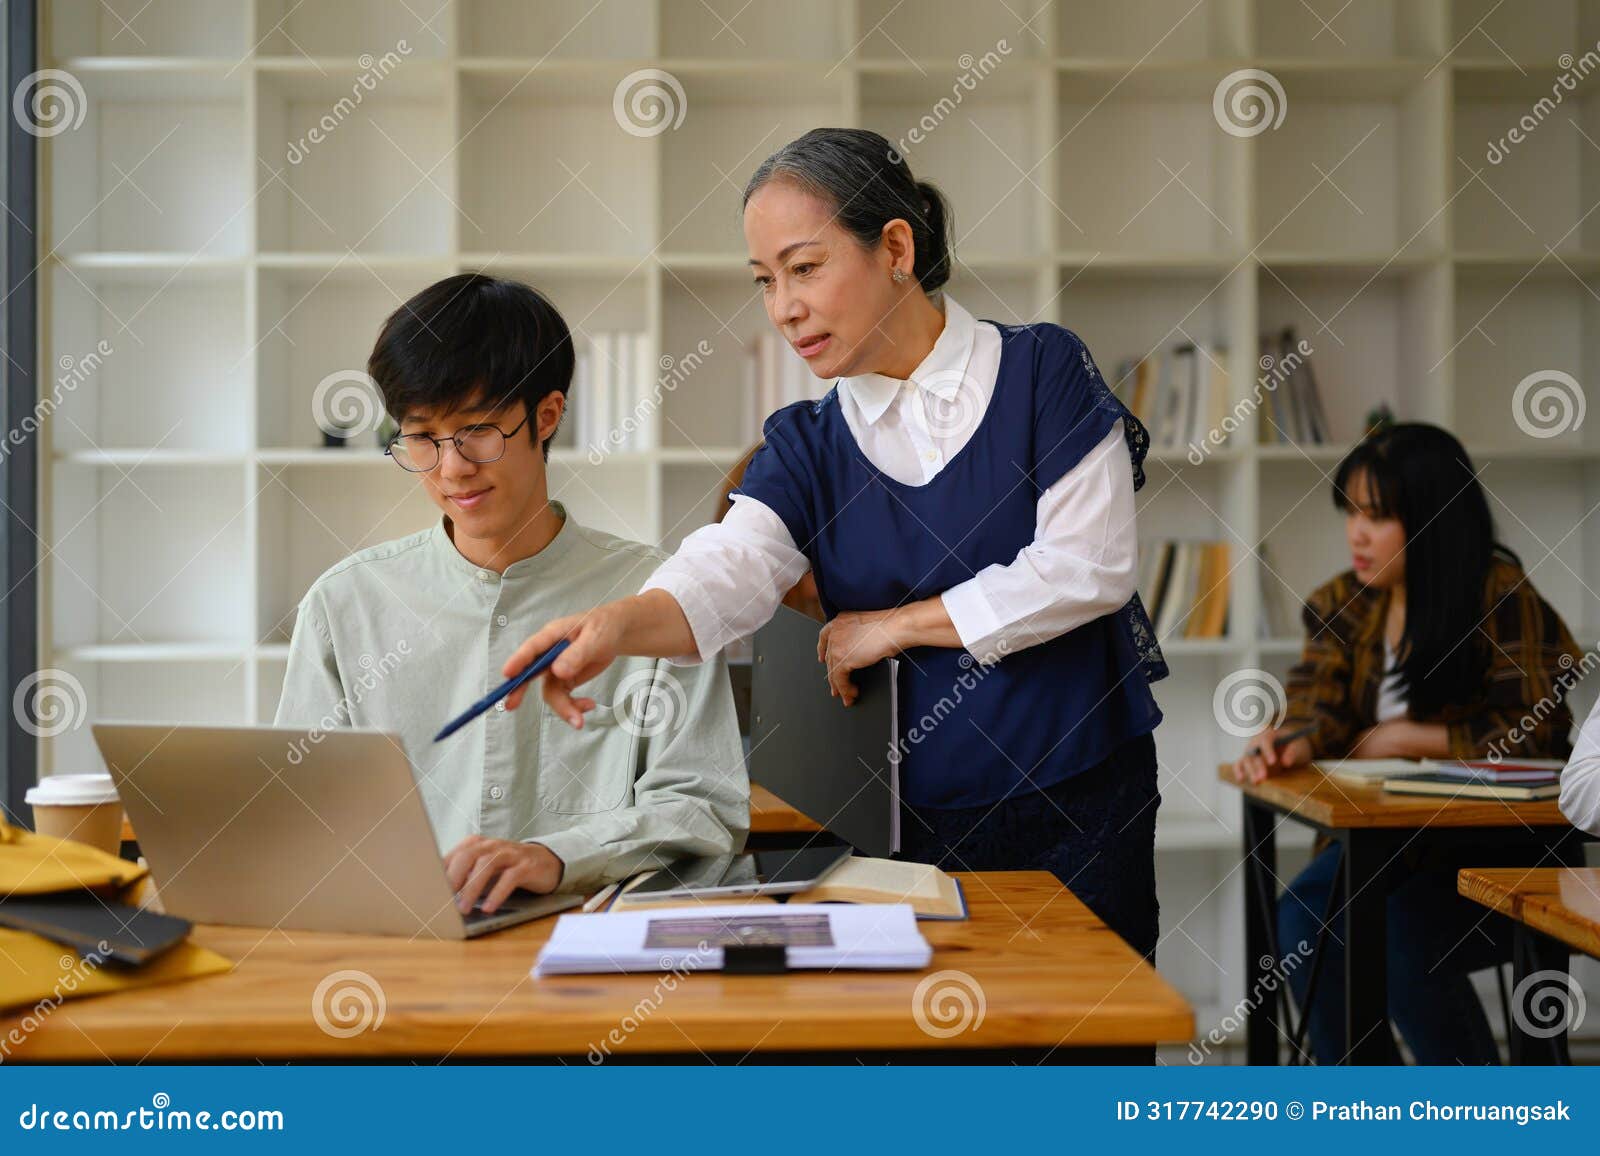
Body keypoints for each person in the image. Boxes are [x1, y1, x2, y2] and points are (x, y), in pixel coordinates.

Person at [499, 127, 1170, 965]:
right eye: (765, 280)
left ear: (896, 249)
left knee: (1089, 1041)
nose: (783, 307)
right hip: (903, 832)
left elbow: (1088, 567)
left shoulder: (1042, 371)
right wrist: (614, 624)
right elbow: (730, 566)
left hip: (1081, 806)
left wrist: (892, 626)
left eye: (805, 268)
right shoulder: (807, 443)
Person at [274, 273, 748, 915]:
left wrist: (561, 856)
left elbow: (702, 810)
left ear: (546, 416)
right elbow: (301, 814)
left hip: (591, 944)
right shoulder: (344, 605)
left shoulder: (655, 601)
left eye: (477, 430)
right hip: (405, 943)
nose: (452, 469)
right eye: (422, 437)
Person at [1233, 422, 1584, 1064]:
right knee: (1301, 919)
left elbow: (1541, 731)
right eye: (1351, 513)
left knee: (1397, 938)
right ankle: (1376, 1105)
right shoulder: (1344, 602)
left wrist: (1411, 738)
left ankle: (1478, 1108)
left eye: (1378, 517)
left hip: (1499, 849)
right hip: (1388, 846)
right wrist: (1289, 741)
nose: (1356, 535)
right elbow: (1317, 702)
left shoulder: (1499, 594)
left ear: (1432, 519)